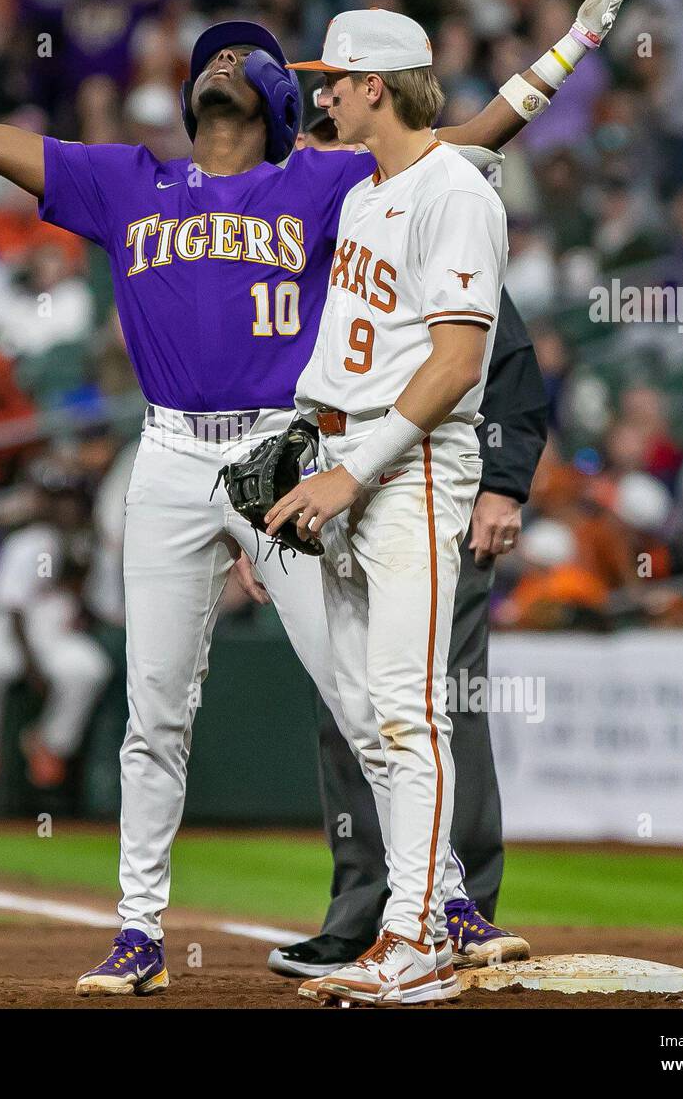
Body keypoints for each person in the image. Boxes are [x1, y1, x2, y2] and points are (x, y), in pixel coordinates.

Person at [0, 0, 640, 997]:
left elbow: (456, 142)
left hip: (285, 449)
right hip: (171, 451)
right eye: (214, 54)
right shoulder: (122, 178)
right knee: (155, 705)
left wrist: (570, 48)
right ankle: (139, 930)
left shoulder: (322, 177)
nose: (224, 60)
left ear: (284, 98)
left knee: (363, 691)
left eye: (246, 56)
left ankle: (446, 897)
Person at [263, 80, 544, 977]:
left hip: (410, 471)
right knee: (366, 712)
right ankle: (404, 915)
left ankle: (423, 932)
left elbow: (474, 360)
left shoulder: (453, 193)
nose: (321, 113)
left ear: (373, 86)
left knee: (410, 711)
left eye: (333, 88)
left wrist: (559, 63)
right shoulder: (361, 193)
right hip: (346, 470)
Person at [0, 459, 110, 789]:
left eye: (72, 498)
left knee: (88, 669)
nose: (66, 506)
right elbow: (12, 610)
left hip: (55, 632)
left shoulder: (88, 541)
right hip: (8, 635)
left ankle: (50, 744)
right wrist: (33, 667)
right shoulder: (29, 542)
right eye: (58, 498)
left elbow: (98, 605)